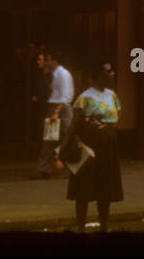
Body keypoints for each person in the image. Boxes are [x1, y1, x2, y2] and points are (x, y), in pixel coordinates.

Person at [57, 62, 124, 233]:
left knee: (105, 189)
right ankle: (81, 228)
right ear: (98, 75)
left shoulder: (112, 95)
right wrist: (62, 149)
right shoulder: (85, 97)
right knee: (84, 189)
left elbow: (117, 118)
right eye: (108, 71)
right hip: (90, 147)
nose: (112, 73)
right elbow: (74, 124)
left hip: (107, 147)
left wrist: (107, 130)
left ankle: (104, 226)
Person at [32, 51, 73, 179]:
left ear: (55, 61)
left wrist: (56, 112)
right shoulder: (54, 74)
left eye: (49, 60)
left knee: (69, 136)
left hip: (61, 109)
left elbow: (65, 95)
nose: (47, 62)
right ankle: (44, 170)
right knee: (49, 139)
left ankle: (81, 163)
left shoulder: (63, 74)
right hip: (55, 108)